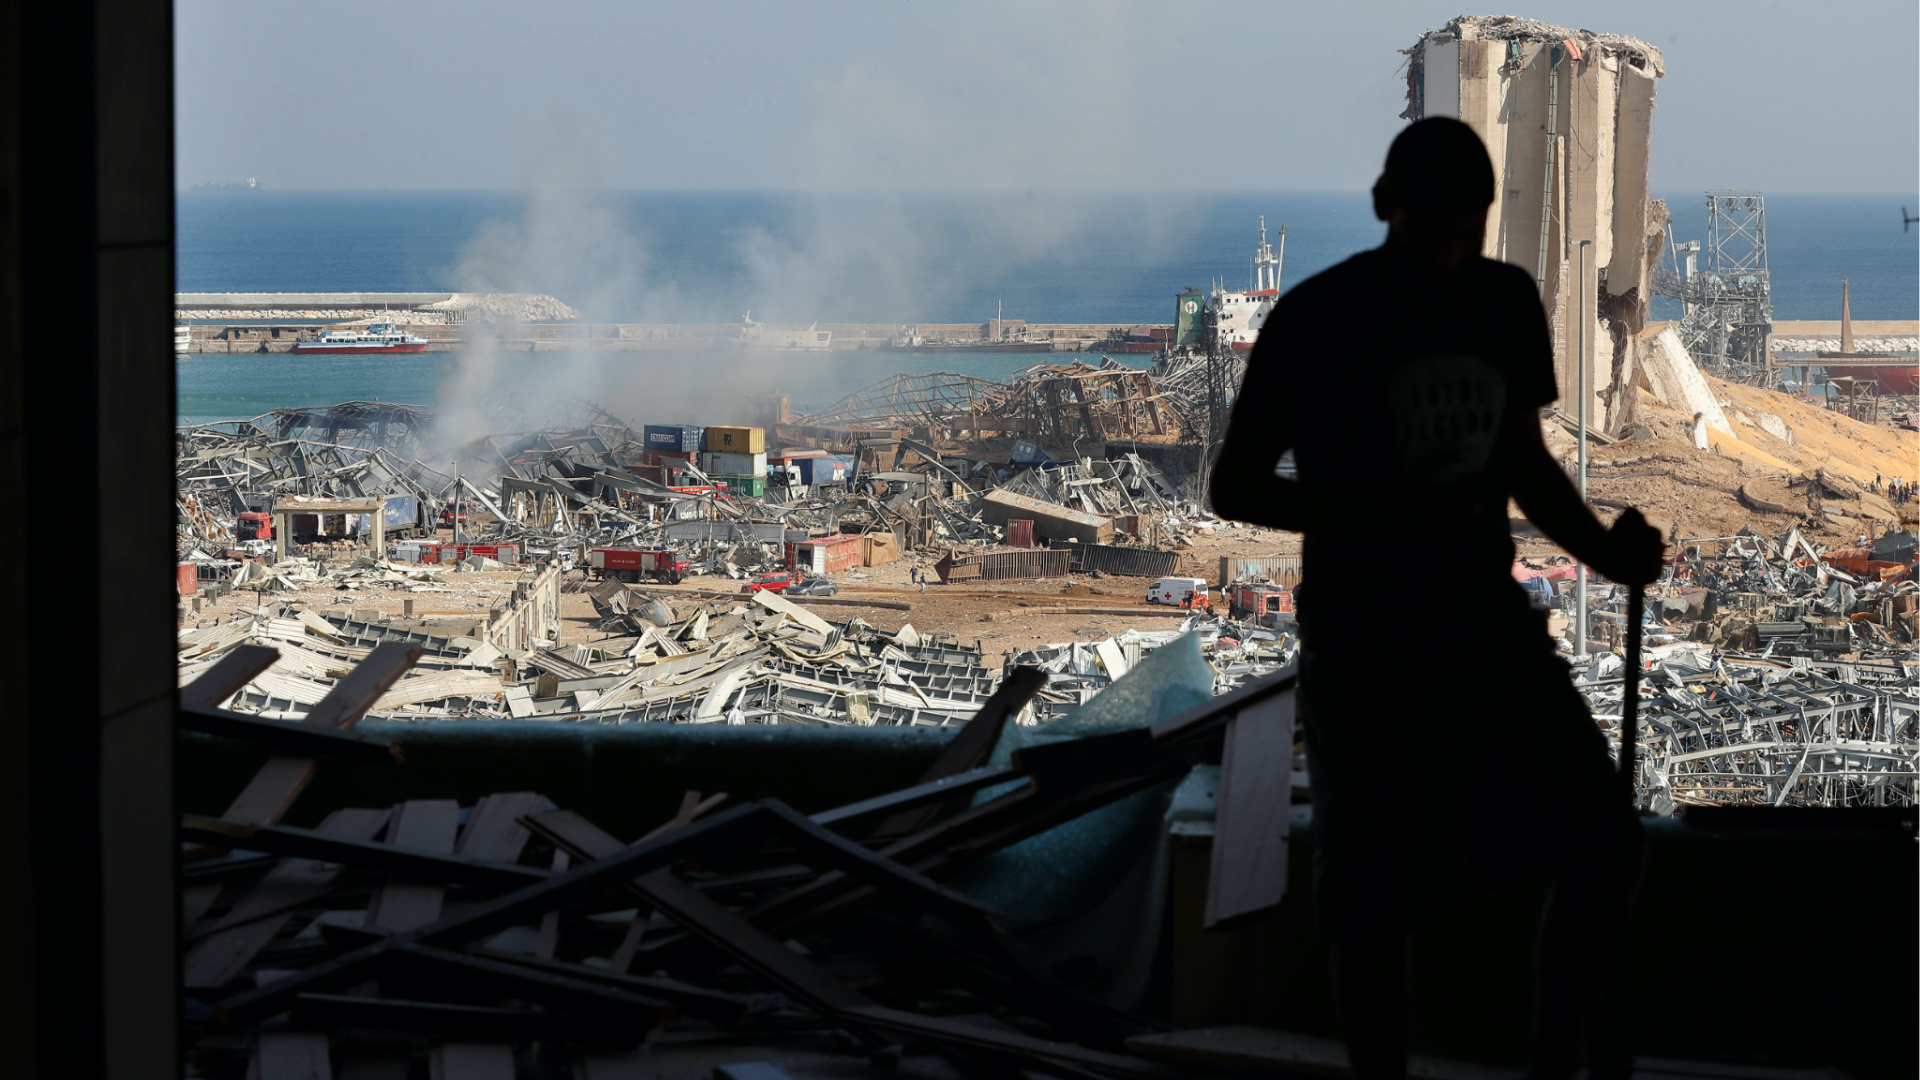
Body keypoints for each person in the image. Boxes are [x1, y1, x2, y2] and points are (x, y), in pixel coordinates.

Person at [1209, 118, 1664, 1080]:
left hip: (1487, 634)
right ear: (1385, 208)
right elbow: (1233, 485)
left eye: (1468, 235)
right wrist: (1368, 511)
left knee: (1606, 843)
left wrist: (1603, 551)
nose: (1450, 257)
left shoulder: (1503, 302)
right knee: (1374, 906)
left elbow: (1526, 463)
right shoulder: (1319, 320)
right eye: (1430, 236)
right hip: (1366, 650)